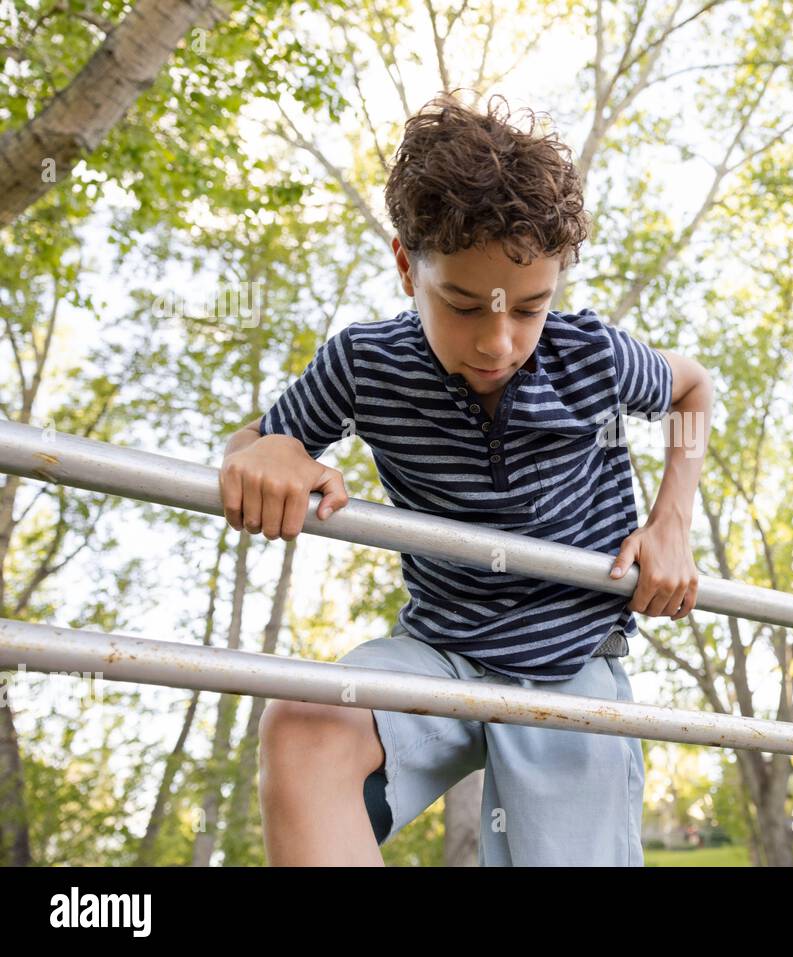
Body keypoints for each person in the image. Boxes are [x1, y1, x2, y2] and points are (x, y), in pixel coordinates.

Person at [218, 93, 714, 866]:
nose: (499, 342)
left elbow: (693, 390)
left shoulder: (590, 355)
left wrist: (671, 521)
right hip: (441, 648)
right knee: (304, 720)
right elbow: (253, 444)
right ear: (404, 265)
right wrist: (268, 449)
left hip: (572, 657)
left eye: (529, 308)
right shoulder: (364, 364)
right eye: (461, 305)